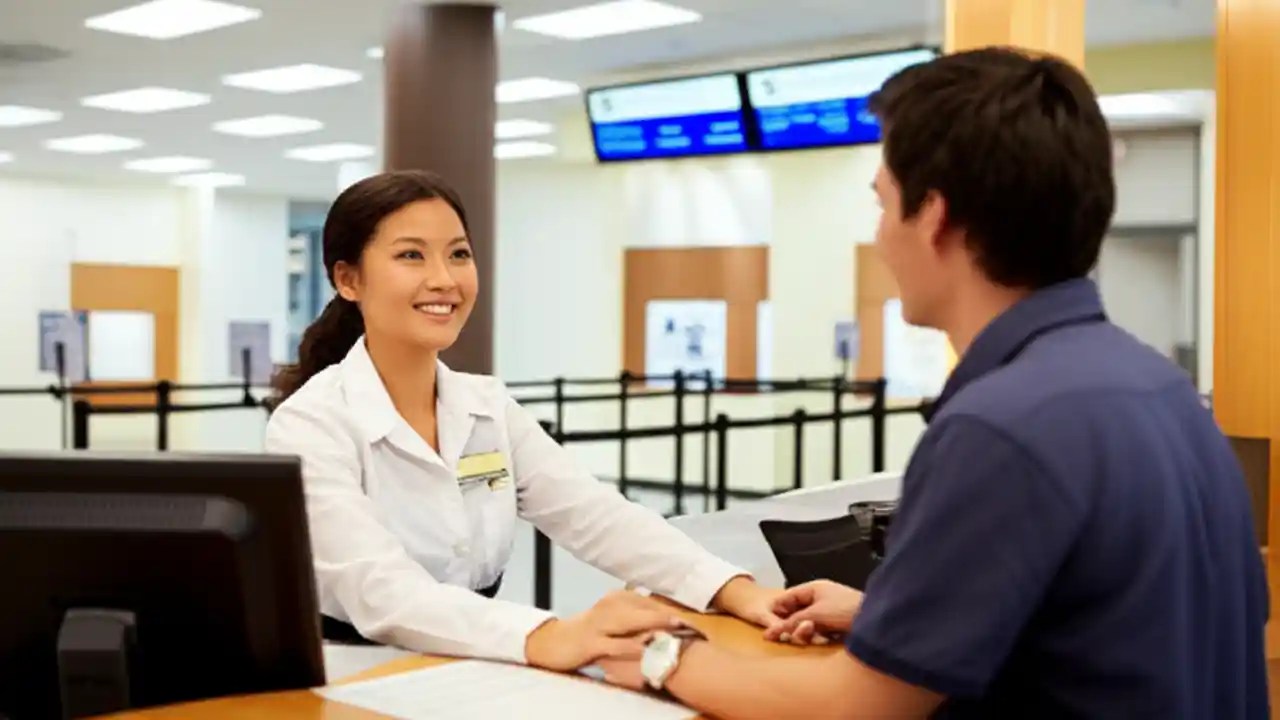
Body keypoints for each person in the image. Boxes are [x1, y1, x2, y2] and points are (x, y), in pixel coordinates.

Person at [598, 47, 1270, 718]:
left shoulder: (1001, 429)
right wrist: (888, 622)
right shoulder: (1162, 390)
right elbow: (1106, 634)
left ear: (936, 216)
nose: (882, 235)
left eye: (884, 204)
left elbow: (852, 708)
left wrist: (667, 656)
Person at [264, 170, 780, 671]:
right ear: (348, 279)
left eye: (459, 254)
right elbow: (379, 591)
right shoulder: (310, 425)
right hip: (357, 673)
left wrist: (732, 589)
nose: (444, 280)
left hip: (479, 660)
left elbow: (595, 515)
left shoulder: (485, 405)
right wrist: (550, 635)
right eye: (410, 255)